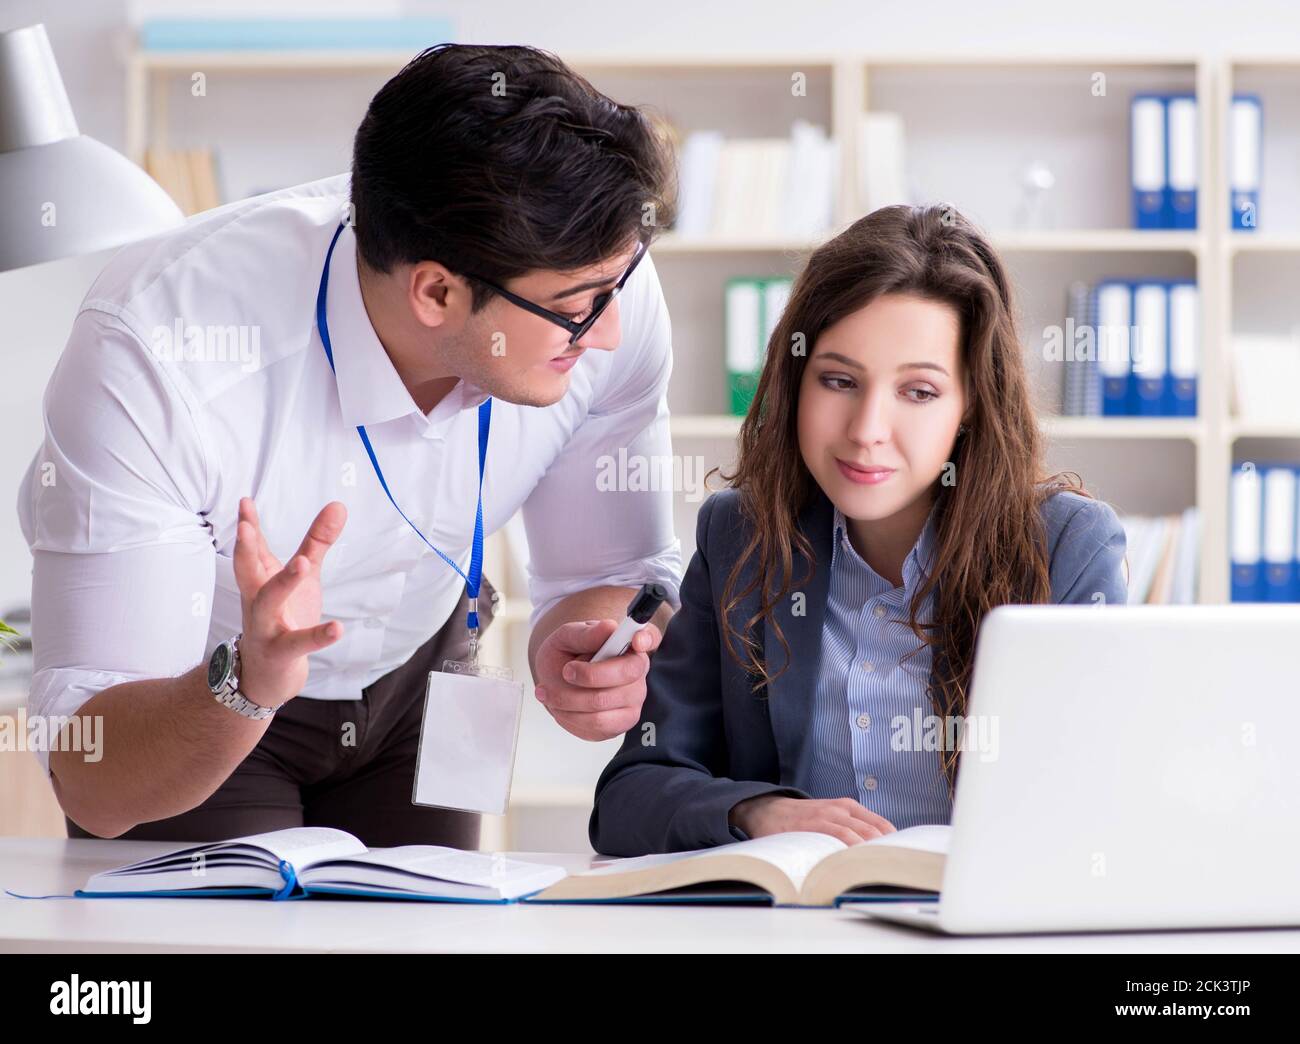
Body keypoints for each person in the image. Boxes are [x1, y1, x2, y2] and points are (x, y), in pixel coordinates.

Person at [17, 43, 681, 846]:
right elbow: (94, 781)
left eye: (617, 288)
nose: (609, 332)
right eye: (579, 308)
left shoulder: (597, 278)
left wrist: (582, 649)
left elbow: (604, 576)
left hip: (425, 666)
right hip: (207, 684)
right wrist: (245, 685)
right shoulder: (158, 351)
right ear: (436, 291)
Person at [590, 203, 1129, 855]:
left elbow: (1100, 804)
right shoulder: (739, 537)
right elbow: (630, 797)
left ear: (970, 406)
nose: (867, 429)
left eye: (919, 392)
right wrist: (757, 812)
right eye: (839, 380)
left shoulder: (1067, 547)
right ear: (796, 381)